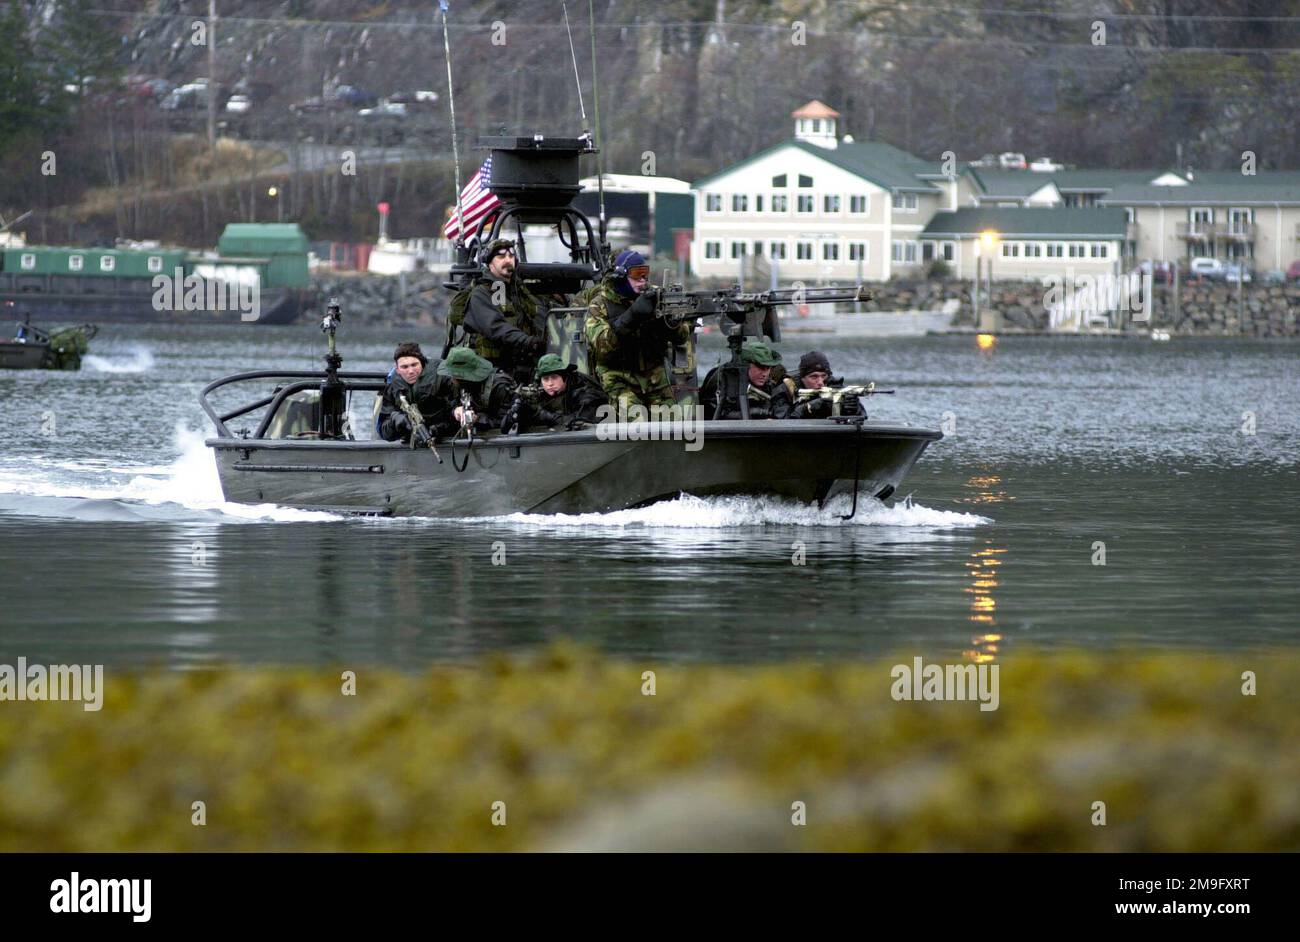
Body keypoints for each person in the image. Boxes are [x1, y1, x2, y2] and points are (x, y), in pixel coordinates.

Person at [584, 249, 692, 416]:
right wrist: (632, 316)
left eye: (645, 273)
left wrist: (671, 322)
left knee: (673, 427)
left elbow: (682, 337)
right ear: (620, 276)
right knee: (637, 421)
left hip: (655, 379)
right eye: (636, 274)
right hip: (618, 379)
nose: (642, 280)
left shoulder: (655, 296)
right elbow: (602, 349)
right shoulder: (599, 305)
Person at [449, 238, 547, 383]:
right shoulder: (488, 291)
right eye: (501, 257)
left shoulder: (518, 289)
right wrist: (528, 341)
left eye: (511, 256)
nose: (508, 260)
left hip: (522, 364)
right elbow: (496, 326)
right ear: (490, 263)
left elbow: (540, 313)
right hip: (493, 368)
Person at [431, 346, 520, 437]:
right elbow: (445, 409)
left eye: (454, 376)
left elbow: (507, 422)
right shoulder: (458, 386)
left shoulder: (499, 386)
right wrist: (456, 412)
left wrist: (477, 419)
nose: (452, 379)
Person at [377, 341, 445, 446]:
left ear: (422, 363)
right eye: (404, 367)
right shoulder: (393, 387)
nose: (410, 371)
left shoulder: (441, 377)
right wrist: (396, 420)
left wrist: (437, 429)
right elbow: (384, 432)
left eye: (414, 365)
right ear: (397, 369)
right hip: (410, 440)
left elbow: (454, 413)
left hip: (442, 436)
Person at [705, 341, 794, 419]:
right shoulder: (723, 380)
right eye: (760, 367)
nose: (764, 374)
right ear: (746, 365)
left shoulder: (769, 385)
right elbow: (714, 411)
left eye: (768, 368)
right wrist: (761, 413)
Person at [533, 353, 608, 428]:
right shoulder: (541, 393)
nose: (550, 384)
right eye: (545, 379)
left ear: (565, 377)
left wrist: (543, 414)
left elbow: (580, 423)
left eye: (554, 377)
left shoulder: (587, 392)